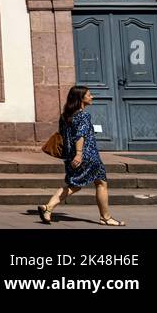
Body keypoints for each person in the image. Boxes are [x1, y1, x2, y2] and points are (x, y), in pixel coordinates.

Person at [37, 85, 125, 225]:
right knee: (101, 183)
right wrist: (79, 154)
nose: (92, 97)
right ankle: (105, 217)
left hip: (70, 155)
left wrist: (75, 154)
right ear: (81, 98)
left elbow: (65, 135)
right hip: (87, 155)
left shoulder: (65, 116)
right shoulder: (83, 115)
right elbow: (80, 135)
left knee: (75, 184)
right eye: (89, 95)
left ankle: (48, 208)